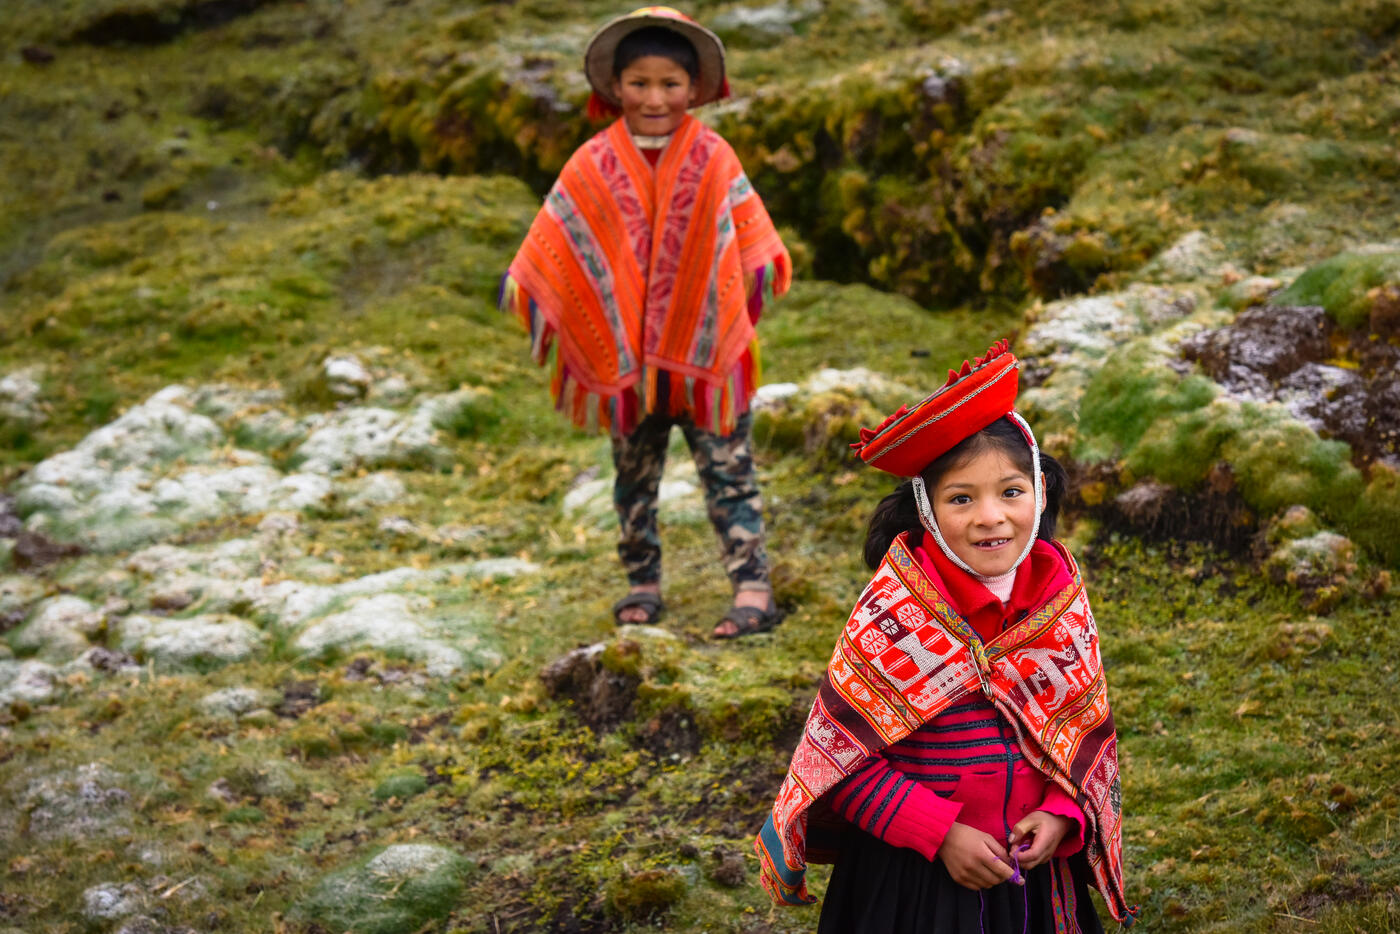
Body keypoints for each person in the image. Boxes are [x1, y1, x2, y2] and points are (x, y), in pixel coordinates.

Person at [754, 340, 1137, 932]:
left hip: (1034, 885)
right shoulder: (895, 615)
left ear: (1038, 494)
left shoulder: (1059, 601)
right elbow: (839, 762)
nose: (991, 516)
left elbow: (1081, 734)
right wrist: (939, 834)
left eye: (1011, 491)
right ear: (927, 511)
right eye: (962, 498)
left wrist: (1063, 814)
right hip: (911, 883)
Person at [501, 6, 791, 639]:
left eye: (669, 84)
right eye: (639, 82)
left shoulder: (714, 156)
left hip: (707, 351)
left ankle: (752, 586)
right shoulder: (593, 163)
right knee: (633, 478)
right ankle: (642, 581)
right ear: (614, 87)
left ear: (695, 89)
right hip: (625, 359)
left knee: (729, 469)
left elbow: (752, 247)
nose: (654, 97)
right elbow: (555, 243)